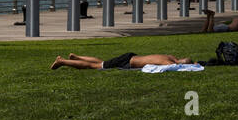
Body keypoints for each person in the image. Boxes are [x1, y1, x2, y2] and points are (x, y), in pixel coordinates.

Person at [51, 51, 195, 71]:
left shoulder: (169, 57)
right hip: (129, 61)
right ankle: (62, 61)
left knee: (102, 62)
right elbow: (176, 68)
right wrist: (194, 66)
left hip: (132, 57)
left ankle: (75, 58)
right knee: (96, 66)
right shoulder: (170, 64)